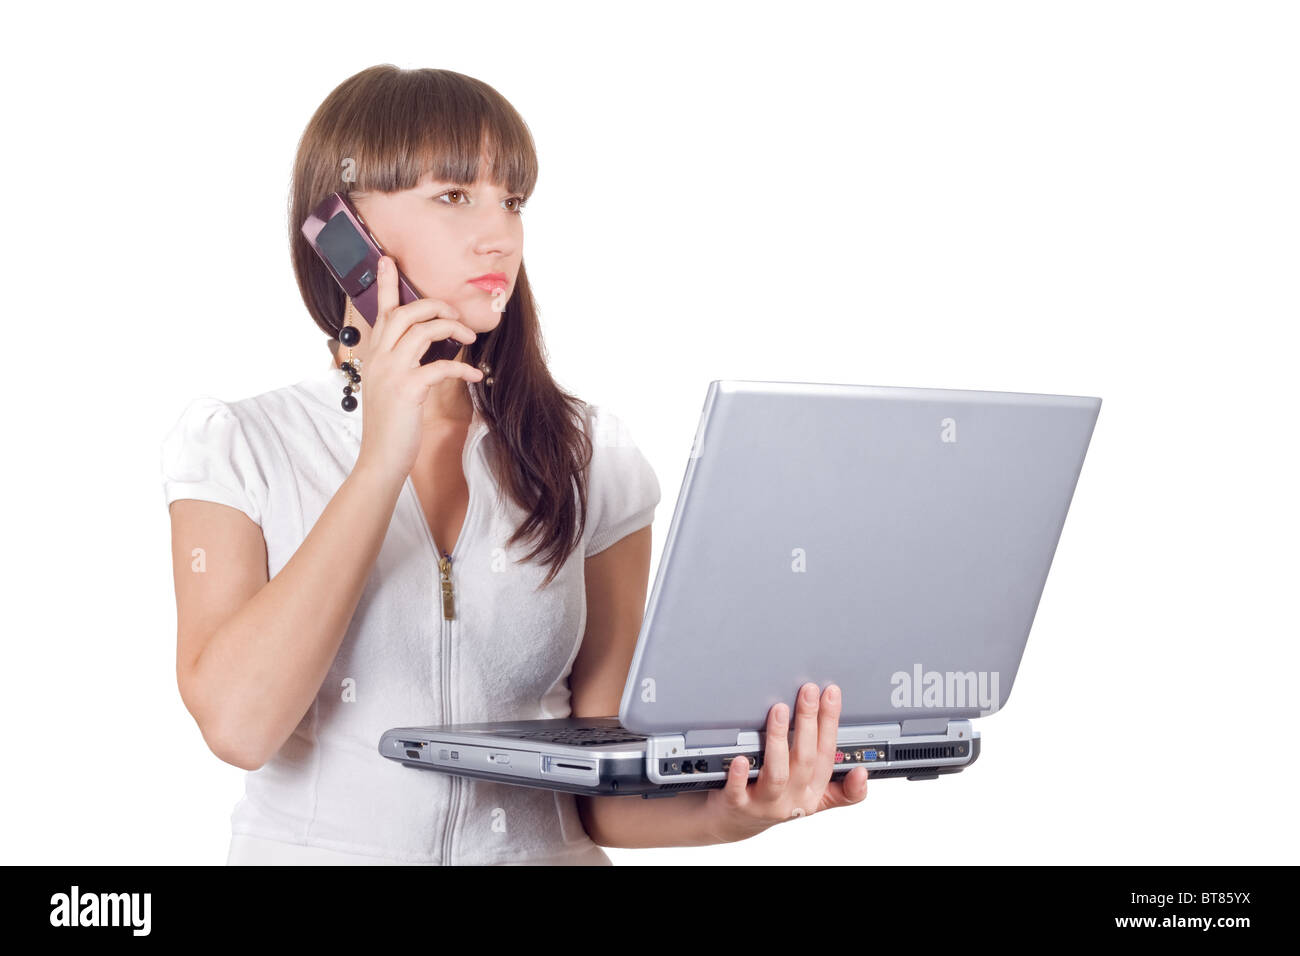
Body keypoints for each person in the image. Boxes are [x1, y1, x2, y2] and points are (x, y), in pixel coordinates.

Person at [161, 65, 868, 865]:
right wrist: (380, 461)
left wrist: (744, 810)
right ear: (342, 227)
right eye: (454, 196)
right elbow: (239, 725)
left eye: (513, 200)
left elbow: (603, 795)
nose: (498, 232)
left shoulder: (589, 456)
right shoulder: (243, 445)